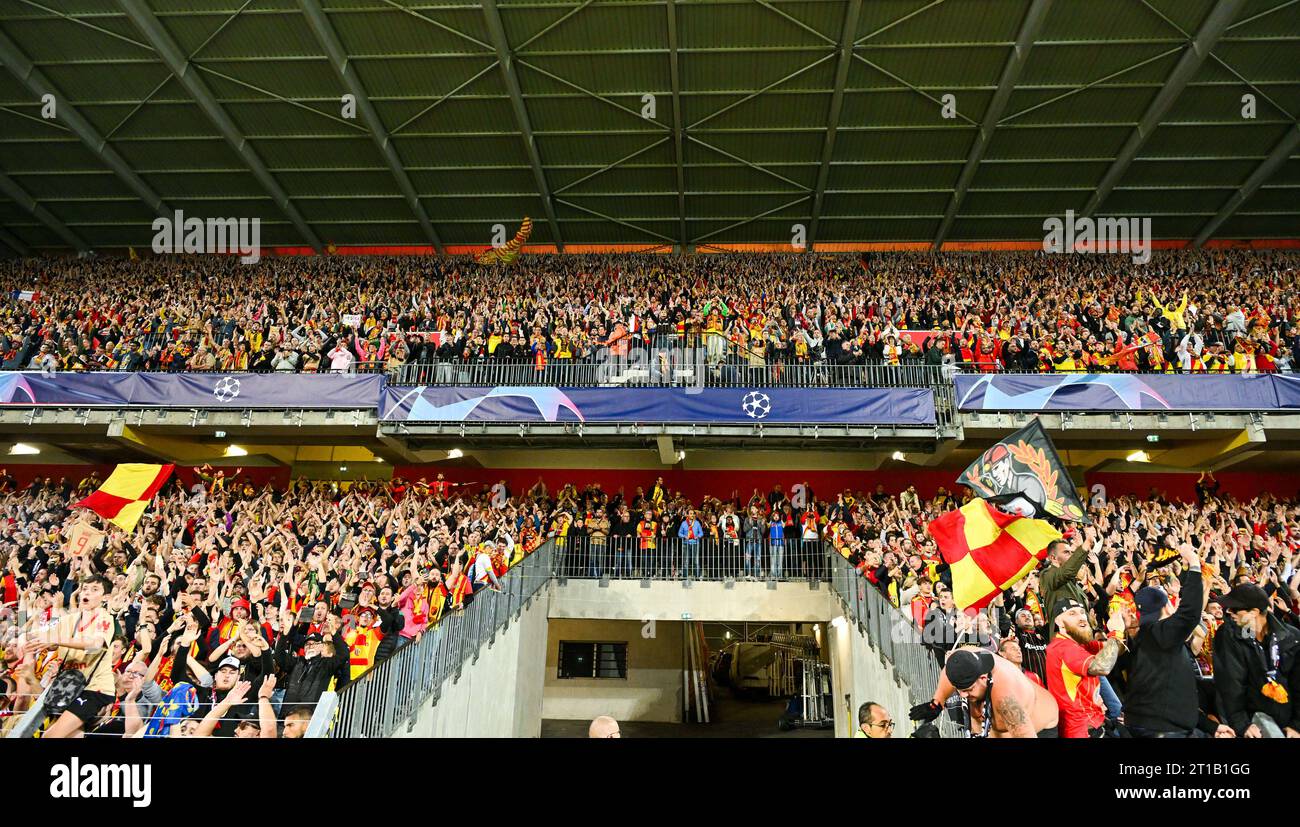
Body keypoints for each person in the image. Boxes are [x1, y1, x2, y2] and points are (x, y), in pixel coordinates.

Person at [1123, 545, 1210, 738]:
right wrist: (1194, 565)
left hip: (1158, 725)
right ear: (1165, 607)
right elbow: (1189, 614)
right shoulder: (1162, 632)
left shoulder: (1146, 635)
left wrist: (1212, 727)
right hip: (1164, 730)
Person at [33, 574, 117, 739]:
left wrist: (56, 639)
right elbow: (40, 636)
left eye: (95, 589)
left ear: (105, 597)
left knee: (51, 736)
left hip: (94, 689)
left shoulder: (104, 617)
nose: (87, 593)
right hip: (68, 688)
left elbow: (95, 643)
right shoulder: (69, 620)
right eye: (85, 589)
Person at [1213, 583, 1300, 738]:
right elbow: (1230, 685)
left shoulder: (1291, 637)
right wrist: (1242, 725)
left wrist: (1296, 726)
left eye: (1234, 609)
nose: (1229, 612)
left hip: (1287, 725)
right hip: (1252, 726)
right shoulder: (1229, 635)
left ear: (1254, 612)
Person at [913, 647, 1058, 737]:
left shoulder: (1006, 700)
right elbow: (947, 673)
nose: (963, 695)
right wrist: (937, 703)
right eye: (960, 690)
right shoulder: (962, 660)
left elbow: (1024, 734)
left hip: (1038, 727)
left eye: (968, 689)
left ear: (983, 677)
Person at [1045, 598, 1126, 738]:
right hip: (1082, 731)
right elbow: (1103, 666)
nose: (1082, 618)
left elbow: (1114, 650)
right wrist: (1116, 633)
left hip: (1095, 723)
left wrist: (1123, 629)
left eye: (1082, 612)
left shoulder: (1079, 644)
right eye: (1072, 614)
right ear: (1059, 622)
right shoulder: (1062, 647)